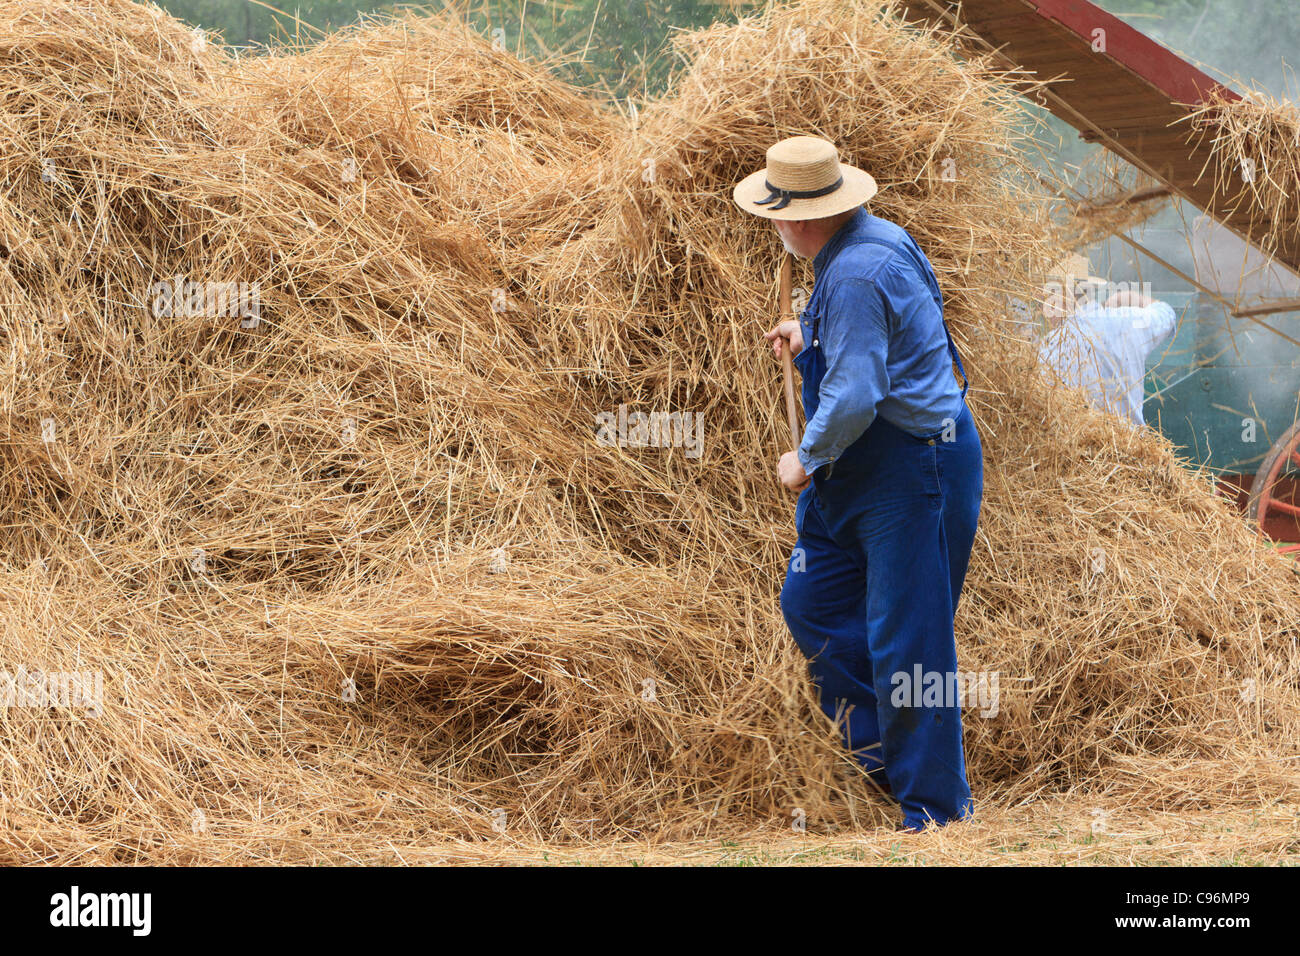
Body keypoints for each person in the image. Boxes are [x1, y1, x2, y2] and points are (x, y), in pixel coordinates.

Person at [732, 135, 983, 832]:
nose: (773, 227)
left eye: (775, 216)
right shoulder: (857, 251)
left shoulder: (856, 274)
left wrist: (805, 459)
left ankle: (935, 808)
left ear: (799, 219)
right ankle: (886, 760)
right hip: (865, 468)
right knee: (810, 603)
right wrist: (810, 334)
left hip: (913, 465)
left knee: (908, 638)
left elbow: (857, 392)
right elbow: (878, 341)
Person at [1037, 256, 1176, 427]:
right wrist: (1126, 297)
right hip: (1133, 449)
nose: (1042, 309)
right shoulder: (1129, 320)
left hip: (1075, 451)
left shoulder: (1046, 350)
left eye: (1043, 300)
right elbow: (1167, 314)